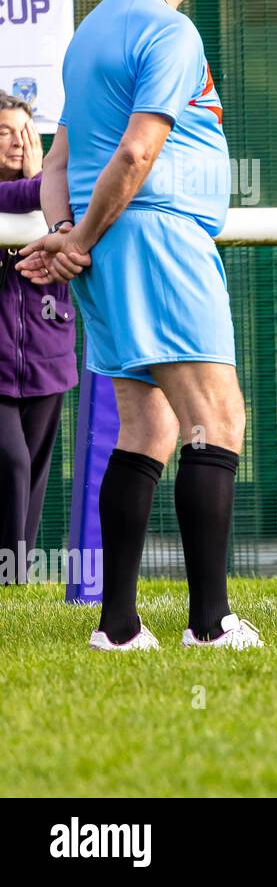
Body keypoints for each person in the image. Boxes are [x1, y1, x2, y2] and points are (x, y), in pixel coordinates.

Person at [18, 0, 259, 650]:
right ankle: (211, 624)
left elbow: (59, 158)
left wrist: (66, 234)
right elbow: (137, 150)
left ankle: (118, 628)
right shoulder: (170, 33)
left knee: (145, 428)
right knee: (216, 420)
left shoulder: (88, 34)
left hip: (111, 245)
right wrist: (79, 237)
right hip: (155, 239)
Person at [0, 93, 77, 584]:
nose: (17, 141)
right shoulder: (36, 190)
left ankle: (15, 579)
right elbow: (18, 195)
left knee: (32, 472)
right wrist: (40, 178)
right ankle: (10, 578)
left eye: (26, 132)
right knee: (10, 462)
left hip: (49, 364)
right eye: (5, 131)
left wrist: (44, 181)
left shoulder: (57, 200)